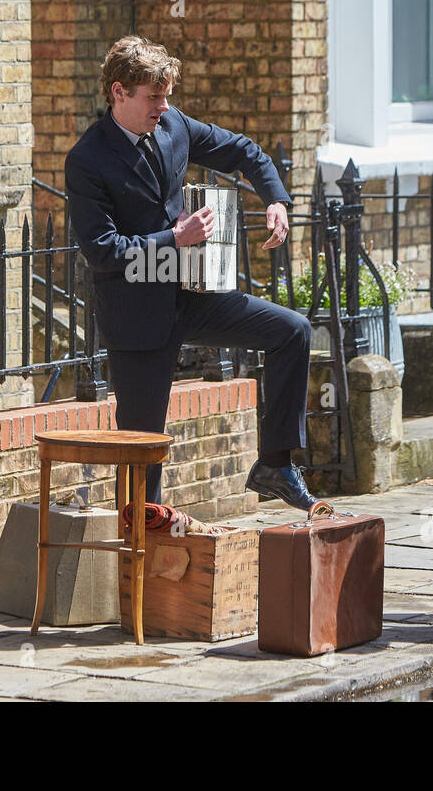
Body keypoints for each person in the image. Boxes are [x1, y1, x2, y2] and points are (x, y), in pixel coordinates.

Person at [65, 36, 315, 509]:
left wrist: (276, 199)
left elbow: (243, 151)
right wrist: (173, 239)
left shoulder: (174, 125)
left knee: (292, 332)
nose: (164, 105)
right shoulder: (87, 159)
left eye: (167, 95)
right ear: (118, 92)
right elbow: (100, 250)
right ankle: (137, 559)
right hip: (137, 317)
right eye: (153, 96)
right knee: (143, 454)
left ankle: (276, 464)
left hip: (194, 295)